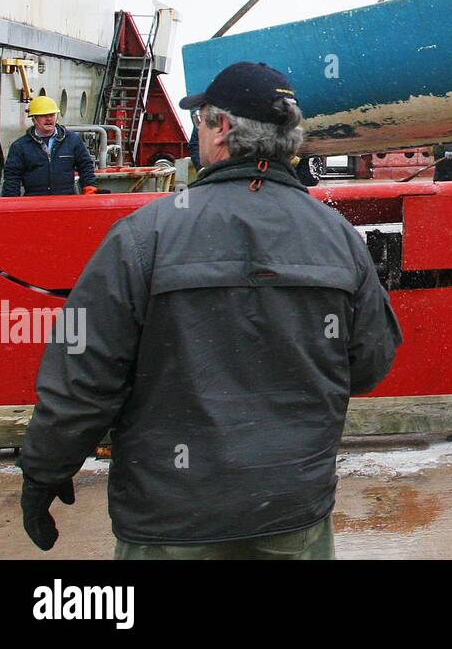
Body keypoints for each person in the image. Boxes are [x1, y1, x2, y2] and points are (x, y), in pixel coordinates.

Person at [20, 61, 402, 559]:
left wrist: (46, 468)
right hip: (289, 514)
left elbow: (83, 374)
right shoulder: (337, 238)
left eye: (201, 120)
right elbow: (370, 362)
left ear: (221, 129)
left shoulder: (144, 236)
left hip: (170, 519)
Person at [1, 95, 97, 197]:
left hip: (66, 203)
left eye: (52, 115)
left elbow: (85, 166)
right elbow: (12, 177)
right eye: (43, 115)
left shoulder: (72, 140)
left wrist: (90, 189)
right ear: (34, 119)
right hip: (35, 205)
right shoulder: (20, 146)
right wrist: (12, 203)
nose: (49, 119)